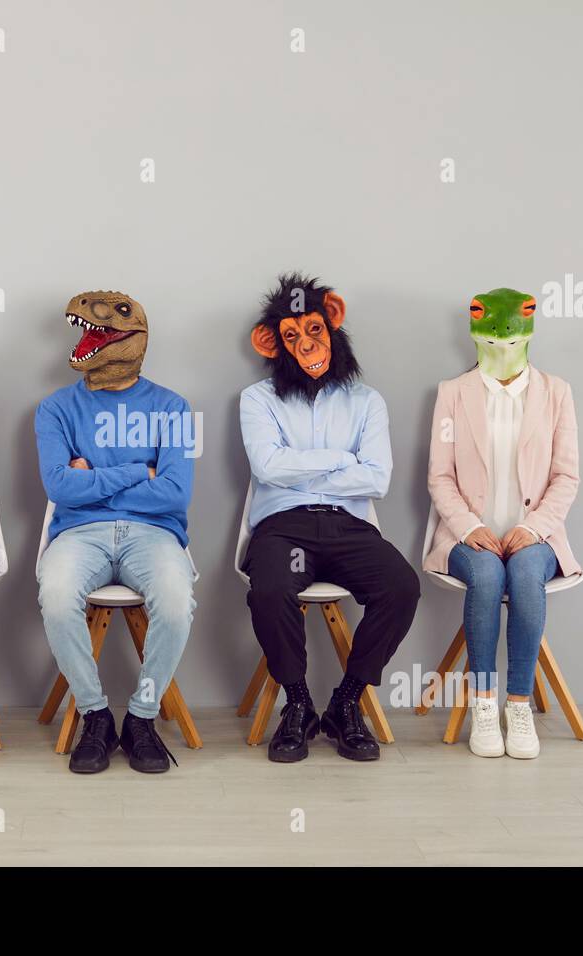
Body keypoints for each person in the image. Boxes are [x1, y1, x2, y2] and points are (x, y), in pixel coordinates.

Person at [240, 273, 420, 763]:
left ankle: (346, 701)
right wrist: (342, 460)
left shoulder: (367, 401)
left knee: (401, 586)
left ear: (333, 323)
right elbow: (267, 468)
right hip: (284, 526)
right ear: (273, 343)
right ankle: (296, 703)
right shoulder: (258, 399)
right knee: (271, 589)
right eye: (292, 336)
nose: (306, 344)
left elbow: (377, 478)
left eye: (313, 330)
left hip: (348, 529)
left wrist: (304, 471)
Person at [35, 290, 196, 775]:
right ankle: (96, 715)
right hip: (78, 534)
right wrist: (137, 472)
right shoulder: (54, 409)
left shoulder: (174, 407)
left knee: (175, 600)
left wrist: (94, 480)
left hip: (155, 534)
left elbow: (174, 493)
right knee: (58, 596)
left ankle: (143, 717)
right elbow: (60, 486)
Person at [424, 287, 581, 760]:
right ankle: (483, 704)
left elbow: (567, 476)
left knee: (525, 572)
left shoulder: (557, 393)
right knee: (489, 575)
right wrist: (470, 526)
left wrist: (533, 528)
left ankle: (519, 705)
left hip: (538, 535)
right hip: (467, 536)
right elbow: (439, 475)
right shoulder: (452, 394)